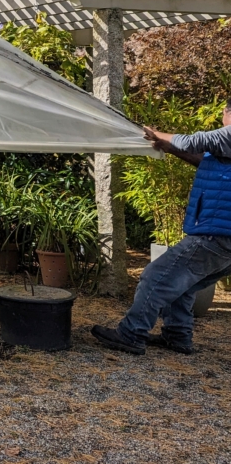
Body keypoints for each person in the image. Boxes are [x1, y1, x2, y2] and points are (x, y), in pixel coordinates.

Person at [91, 101, 231, 355]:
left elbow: (191, 142)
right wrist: (168, 146)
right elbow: (207, 164)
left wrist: (157, 135)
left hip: (216, 234)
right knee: (184, 285)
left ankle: (131, 333)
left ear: (226, 113)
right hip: (223, 238)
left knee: (155, 276)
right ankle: (178, 337)